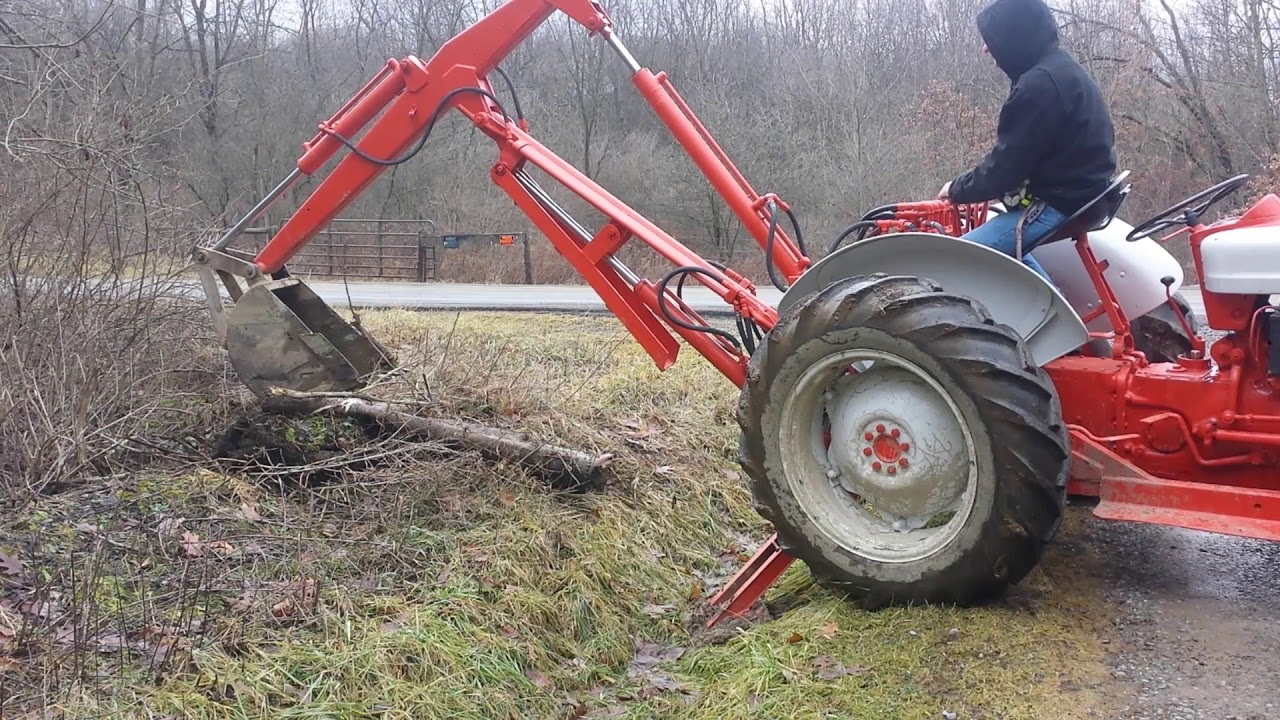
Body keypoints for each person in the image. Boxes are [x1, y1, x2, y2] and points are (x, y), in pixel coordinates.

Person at [937, 0, 1116, 282]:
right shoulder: (1062, 69)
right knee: (1007, 250)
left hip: (1058, 204)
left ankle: (1051, 309)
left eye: (993, 39)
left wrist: (956, 189)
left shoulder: (1039, 85)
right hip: (1086, 196)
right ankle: (1051, 301)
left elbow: (1005, 170)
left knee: (949, 261)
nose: (986, 49)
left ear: (1015, 37)